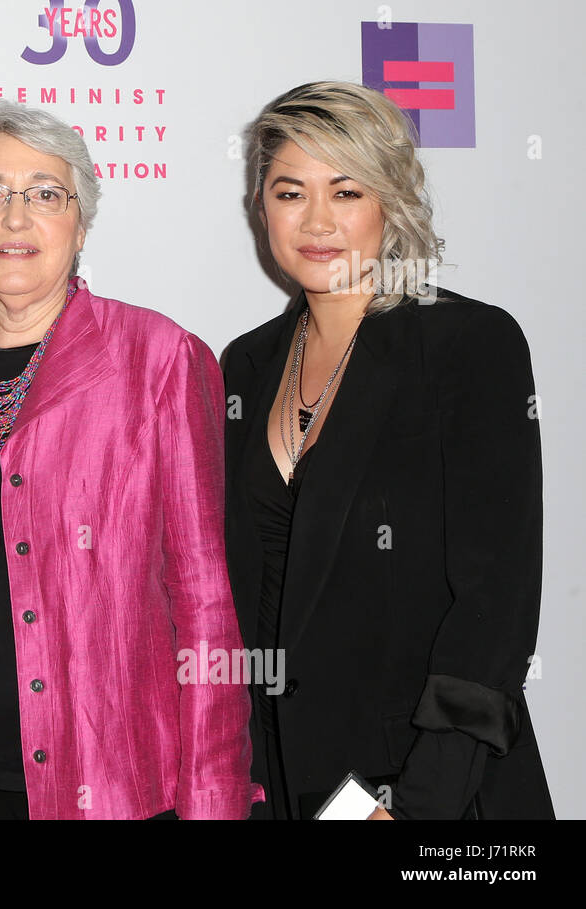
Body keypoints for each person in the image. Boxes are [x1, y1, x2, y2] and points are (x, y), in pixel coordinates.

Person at [0, 99, 260, 819]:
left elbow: (207, 601)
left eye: (46, 195)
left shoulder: (160, 360)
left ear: (81, 224)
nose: (17, 218)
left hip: (116, 790)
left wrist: (215, 803)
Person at [223, 81, 554, 819]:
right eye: (289, 191)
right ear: (260, 207)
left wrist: (415, 804)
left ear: (389, 200)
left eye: (345, 191)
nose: (316, 220)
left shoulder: (467, 345)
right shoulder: (244, 365)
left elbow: (494, 609)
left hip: (434, 787)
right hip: (281, 785)